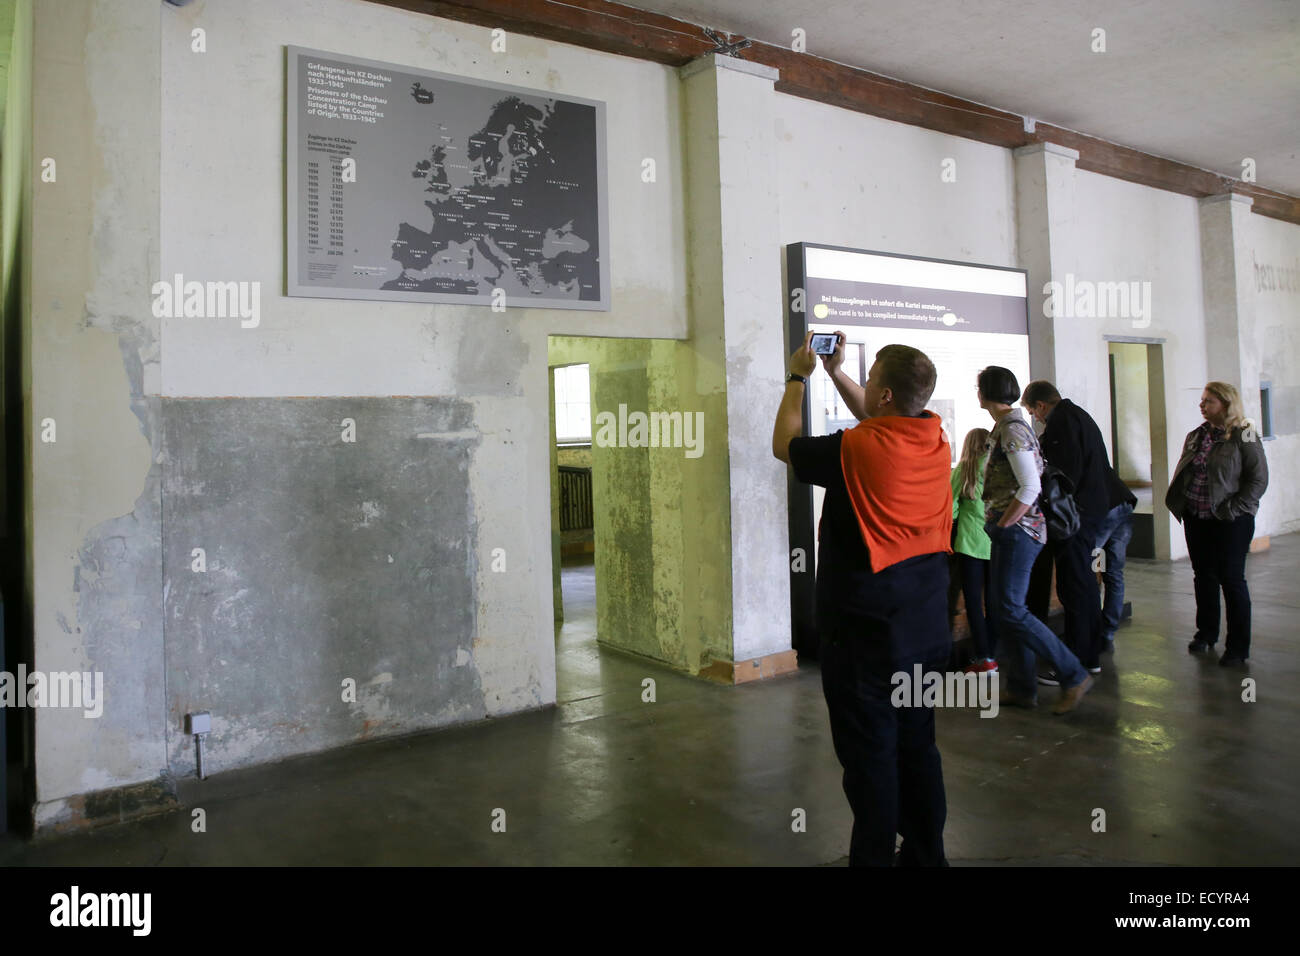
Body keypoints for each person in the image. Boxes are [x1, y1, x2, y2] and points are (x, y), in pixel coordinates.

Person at [773, 333, 952, 867]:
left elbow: (784, 445)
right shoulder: (934, 437)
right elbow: (877, 415)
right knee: (917, 750)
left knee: (870, 760)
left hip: (865, 638)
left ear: (886, 396)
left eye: (871, 379)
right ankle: (926, 856)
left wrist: (798, 377)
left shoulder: (857, 449)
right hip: (924, 633)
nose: (867, 386)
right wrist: (836, 373)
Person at [978, 367, 1092, 714]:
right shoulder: (1010, 427)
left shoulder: (1012, 430)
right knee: (1005, 609)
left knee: (1011, 609)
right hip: (1013, 530)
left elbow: (1030, 487)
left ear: (983, 394)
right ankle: (1023, 687)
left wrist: (1004, 525)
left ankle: (1074, 674)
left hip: (1018, 532)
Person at [1021, 381, 1137, 676]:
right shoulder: (1078, 416)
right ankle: (1091, 651)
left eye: (1032, 411)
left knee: (1075, 585)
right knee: (1084, 581)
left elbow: (1062, 476)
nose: (1035, 417)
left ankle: (1078, 658)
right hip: (1096, 510)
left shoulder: (1063, 424)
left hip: (1078, 516)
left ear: (1042, 405)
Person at [1164, 382, 1268, 665]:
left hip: (1230, 521)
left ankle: (1237, 648)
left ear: (1225, 404)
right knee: (1204, 576)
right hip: (1197, 518)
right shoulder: (1197, 436)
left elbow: (1258, 480)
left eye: (1209, 401)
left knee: (1232, 580)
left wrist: (1234, 509)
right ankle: (1206, 633)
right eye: (1202, 400)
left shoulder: (1244, 434)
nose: (1202, 405)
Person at [949, 427, 997, 673]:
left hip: (969, 544)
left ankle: (984, 657)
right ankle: (995, 653)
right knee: (994, 601)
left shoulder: (963, 471)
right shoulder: (997, 469)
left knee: (973, 604)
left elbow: (951, 509)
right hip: (995, 544)